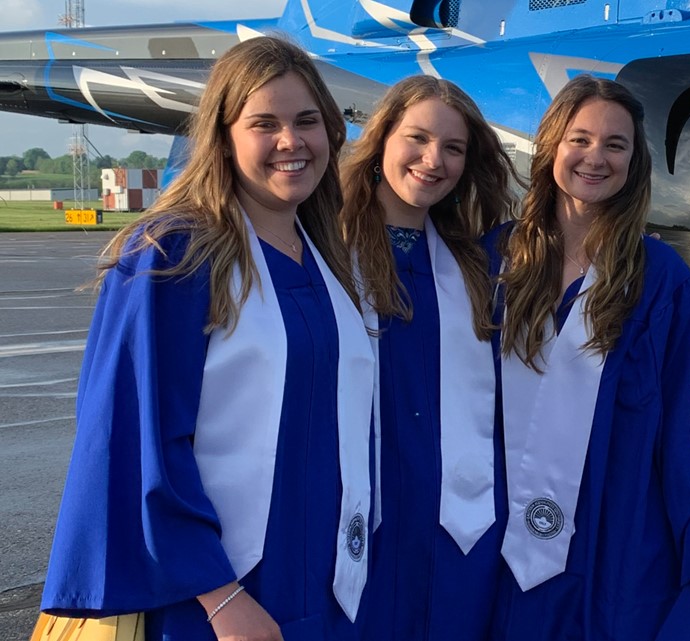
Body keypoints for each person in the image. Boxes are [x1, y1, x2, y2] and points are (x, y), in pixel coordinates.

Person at [39, 35, 374, 641]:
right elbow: (135, 440)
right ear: (221, 136)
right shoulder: (173, 254)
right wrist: (222, 601)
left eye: (307, 121)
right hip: (221, 598)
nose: (290, 142)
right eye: (263, 123)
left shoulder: (325, 259)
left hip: (326, 590)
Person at [488, 74, 690, 641]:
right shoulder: (496, 259)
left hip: (610, 522)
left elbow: (674, 432)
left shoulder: (661, 280)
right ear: (552, 146)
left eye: (616, 144)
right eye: (579, 139)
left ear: (635, 162)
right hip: (496, 519)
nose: (595, 157)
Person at [339, 75, 518, 641]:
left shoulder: (477, 268)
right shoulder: (324, 256)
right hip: (356, 518)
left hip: (456, 532)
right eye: (417, 138)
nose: (433, 160)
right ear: (381, 140)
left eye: (454, 148)